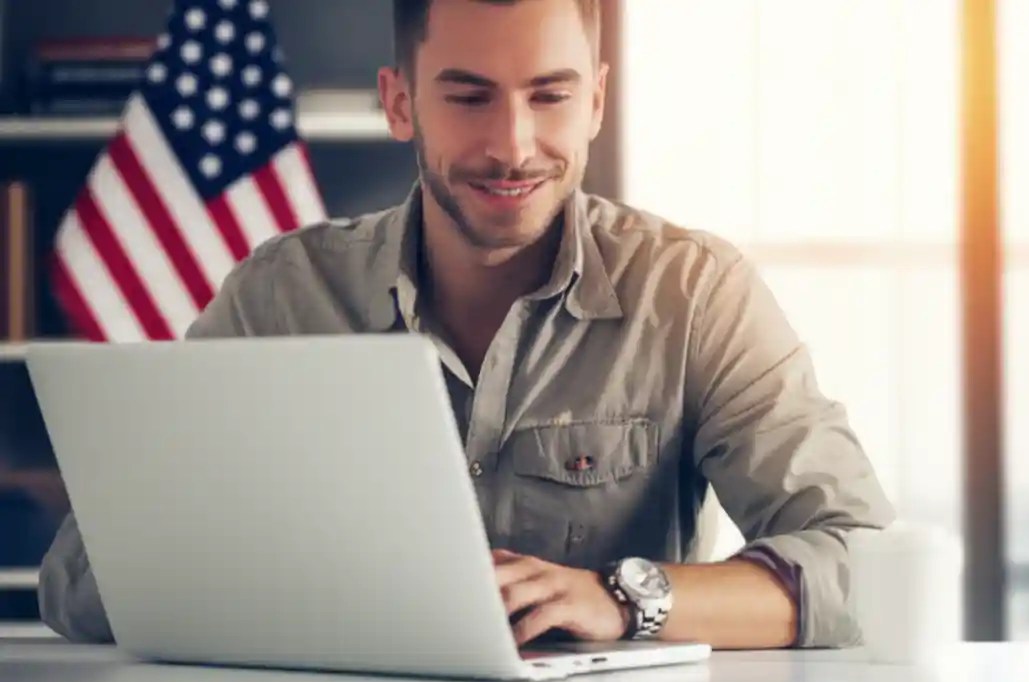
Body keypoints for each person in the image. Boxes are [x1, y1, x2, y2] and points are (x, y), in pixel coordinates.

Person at [39, 0, 894, 649]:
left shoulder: (695, 292)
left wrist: (622, 597)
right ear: (400, 103)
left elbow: (863, 566)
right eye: (470, 97)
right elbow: (78, 581)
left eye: (549, 96)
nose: (513, 145)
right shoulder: (282, 297)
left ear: (595, 101)